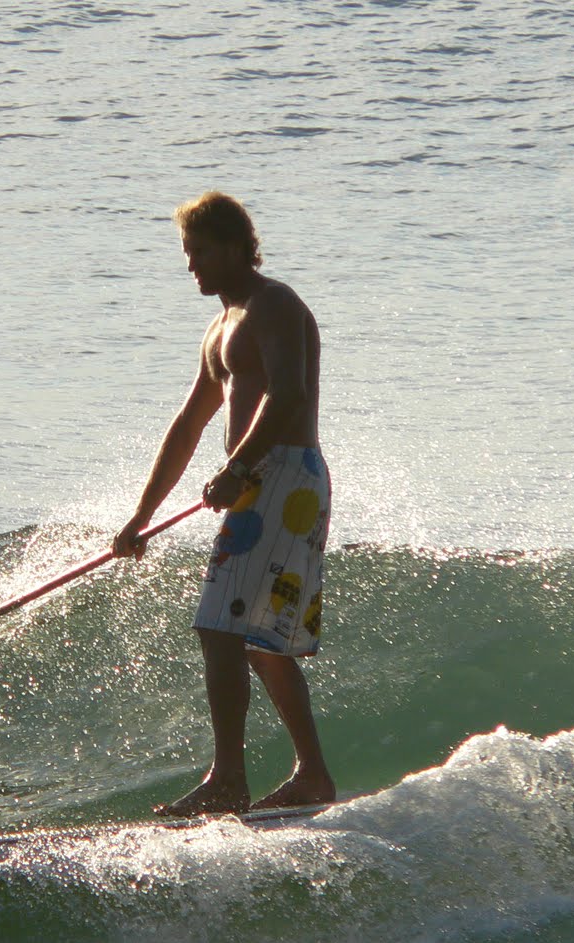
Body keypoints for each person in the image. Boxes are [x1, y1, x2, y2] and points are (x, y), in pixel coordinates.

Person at [112, 192, 335, 817]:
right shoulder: (219, 328)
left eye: (200, 251)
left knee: (221, 627)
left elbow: (288, 393)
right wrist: (142, 514)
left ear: (237, 245)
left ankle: (229, 780)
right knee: (257, 639)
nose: (192, 266)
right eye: (187, 254)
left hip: (284, 478)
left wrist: (239, 467)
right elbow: (188, 425)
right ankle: (312, 776)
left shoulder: (275, 306)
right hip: (259, 482)